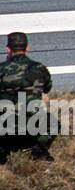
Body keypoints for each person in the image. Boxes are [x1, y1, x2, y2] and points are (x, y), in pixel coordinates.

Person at [0, 32, 54, 163]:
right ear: (27, 48)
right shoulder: (39, 68)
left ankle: (2, 152)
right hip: (32, 125)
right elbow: (47, 88)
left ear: (8, 49)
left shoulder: (1, 69)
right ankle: (38, 149)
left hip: (5, 125)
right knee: (53, 123)